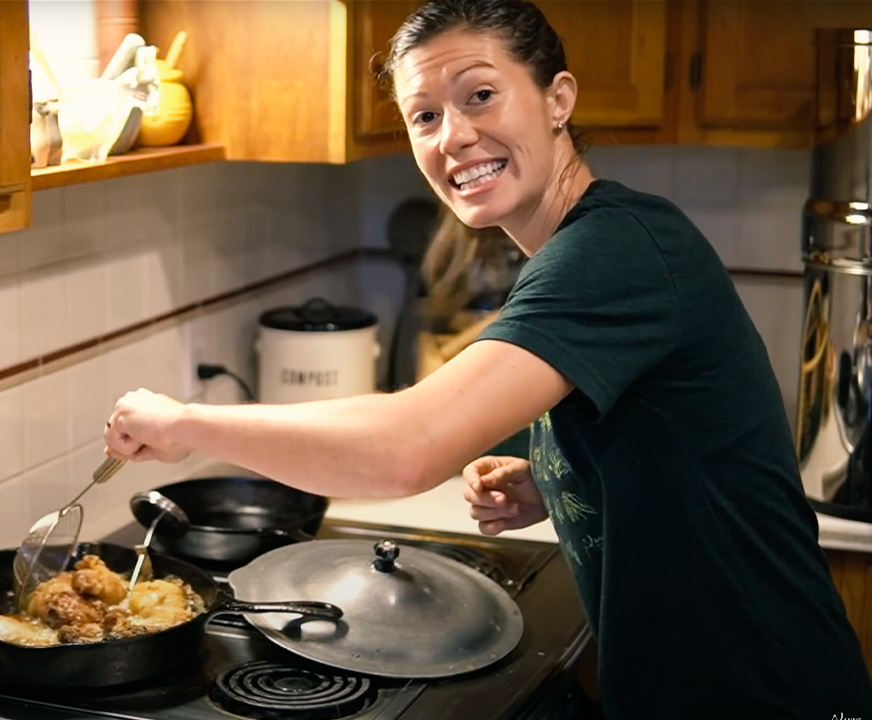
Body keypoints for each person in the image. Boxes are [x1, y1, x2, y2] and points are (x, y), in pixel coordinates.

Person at [102, 0, 872, 716]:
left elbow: (403, 449)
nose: (453, 137)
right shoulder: (584, 245)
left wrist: (188, 424)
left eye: (480, 96)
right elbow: (674, 434)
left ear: (558, 98)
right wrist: (561, 477)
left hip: (766, 691)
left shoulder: (614, 249)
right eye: (425, 116)